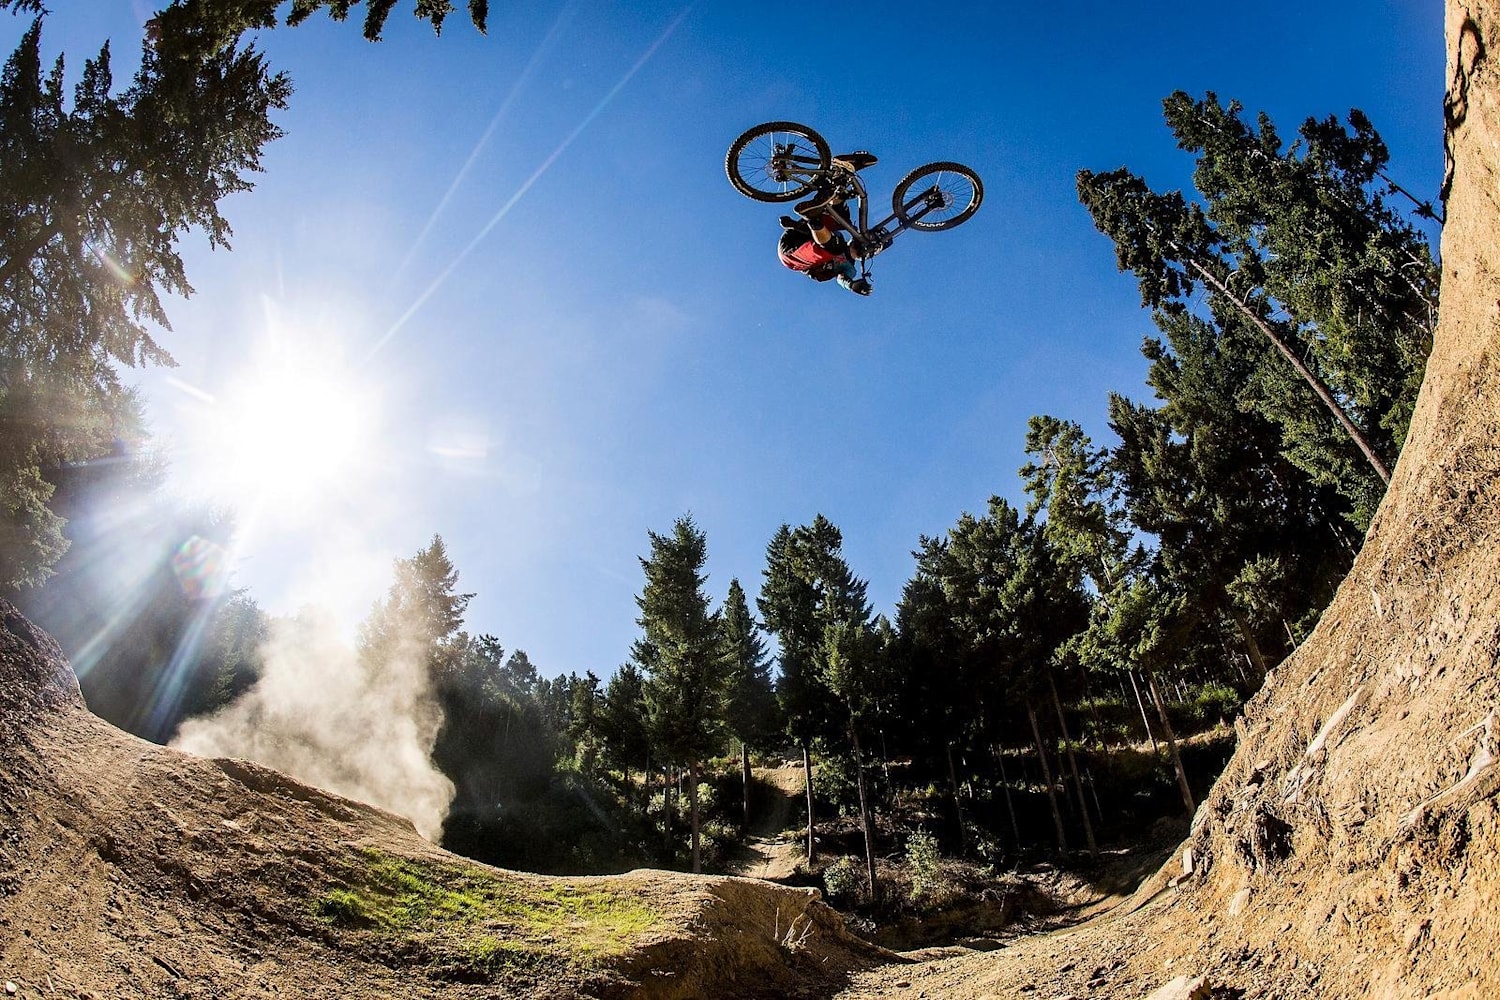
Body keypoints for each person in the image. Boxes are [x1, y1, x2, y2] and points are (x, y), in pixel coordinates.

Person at [776, 152, 878, 295]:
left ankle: (812, 218)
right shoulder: (841, 237)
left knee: (835, 247)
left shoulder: (849, 267)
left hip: (793, 256)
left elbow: (842, 278)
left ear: (862, 256)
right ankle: (841, 175)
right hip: (802, 235)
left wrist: (852, 285)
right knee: (842, 221)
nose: (856, 244)